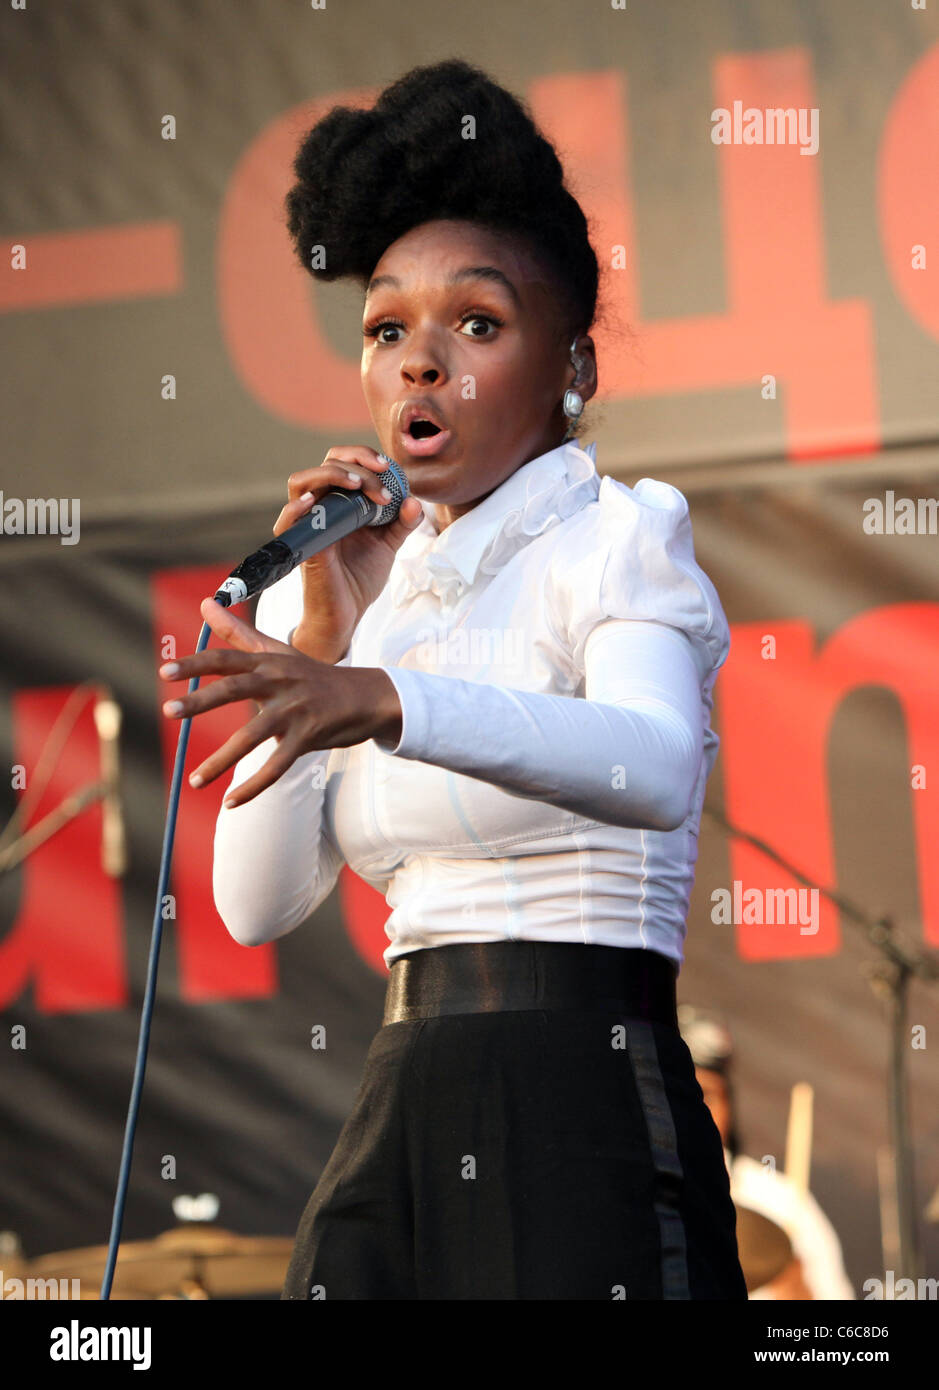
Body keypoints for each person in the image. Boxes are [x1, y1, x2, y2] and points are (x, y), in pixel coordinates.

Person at [159, 57, 746, 1300]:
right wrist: (325, 632)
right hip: (404, 1088)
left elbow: (651, 760)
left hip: (579, 1087)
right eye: (387, 329)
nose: (420, 363)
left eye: (476, 324)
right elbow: (256, 906)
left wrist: (388, 701)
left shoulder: (616, 539)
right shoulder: (361, 588)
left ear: (573, 366)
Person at [678, 1005, 855, 1300]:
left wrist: (800, 1293)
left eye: (706, 1096)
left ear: (729, 1105)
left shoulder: (783, 1203)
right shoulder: (613, 1193)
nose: (692, 1113)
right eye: (678, 1095)